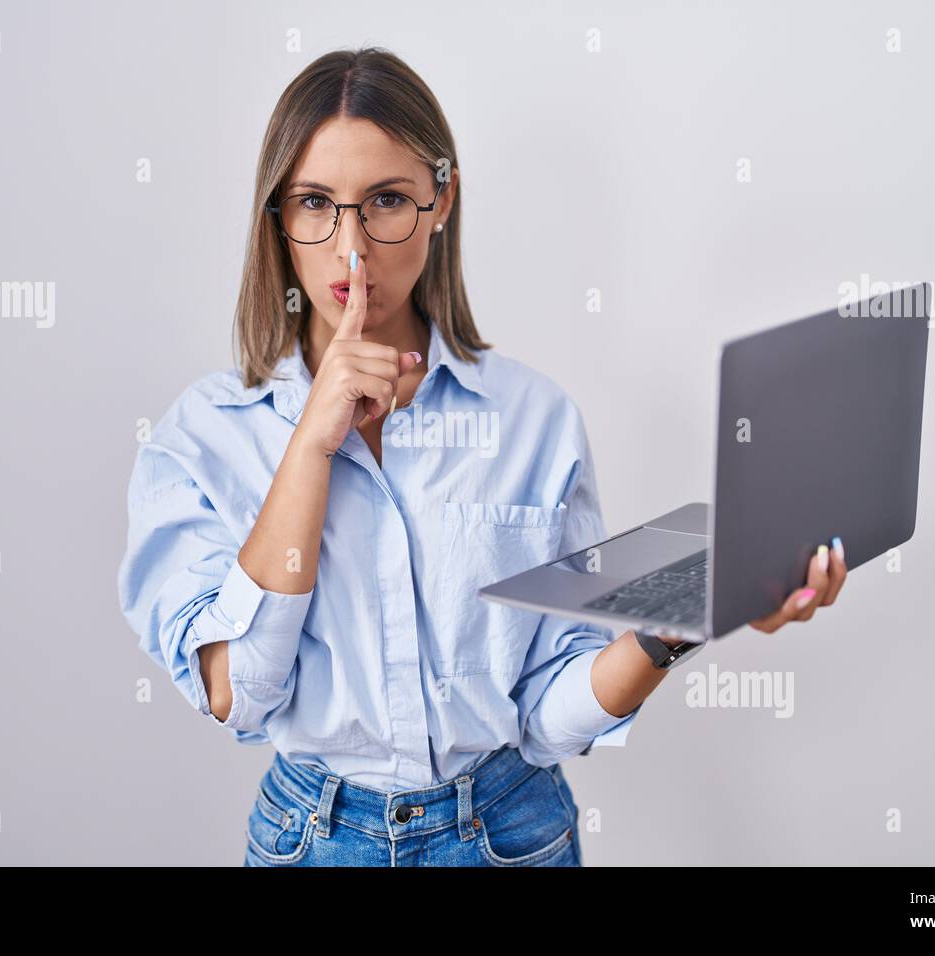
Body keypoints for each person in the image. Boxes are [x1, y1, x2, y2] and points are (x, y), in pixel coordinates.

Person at [116, 47, 848, 867]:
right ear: (278, 220)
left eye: (388, 201)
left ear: (441, 201)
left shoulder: (533, 419)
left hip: (510, 835)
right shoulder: (205, 435)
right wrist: (311, 446)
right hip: (312, 843)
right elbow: (240, 693)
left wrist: (673, 624)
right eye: (316, 203)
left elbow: (543, 716)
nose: (350, 249)